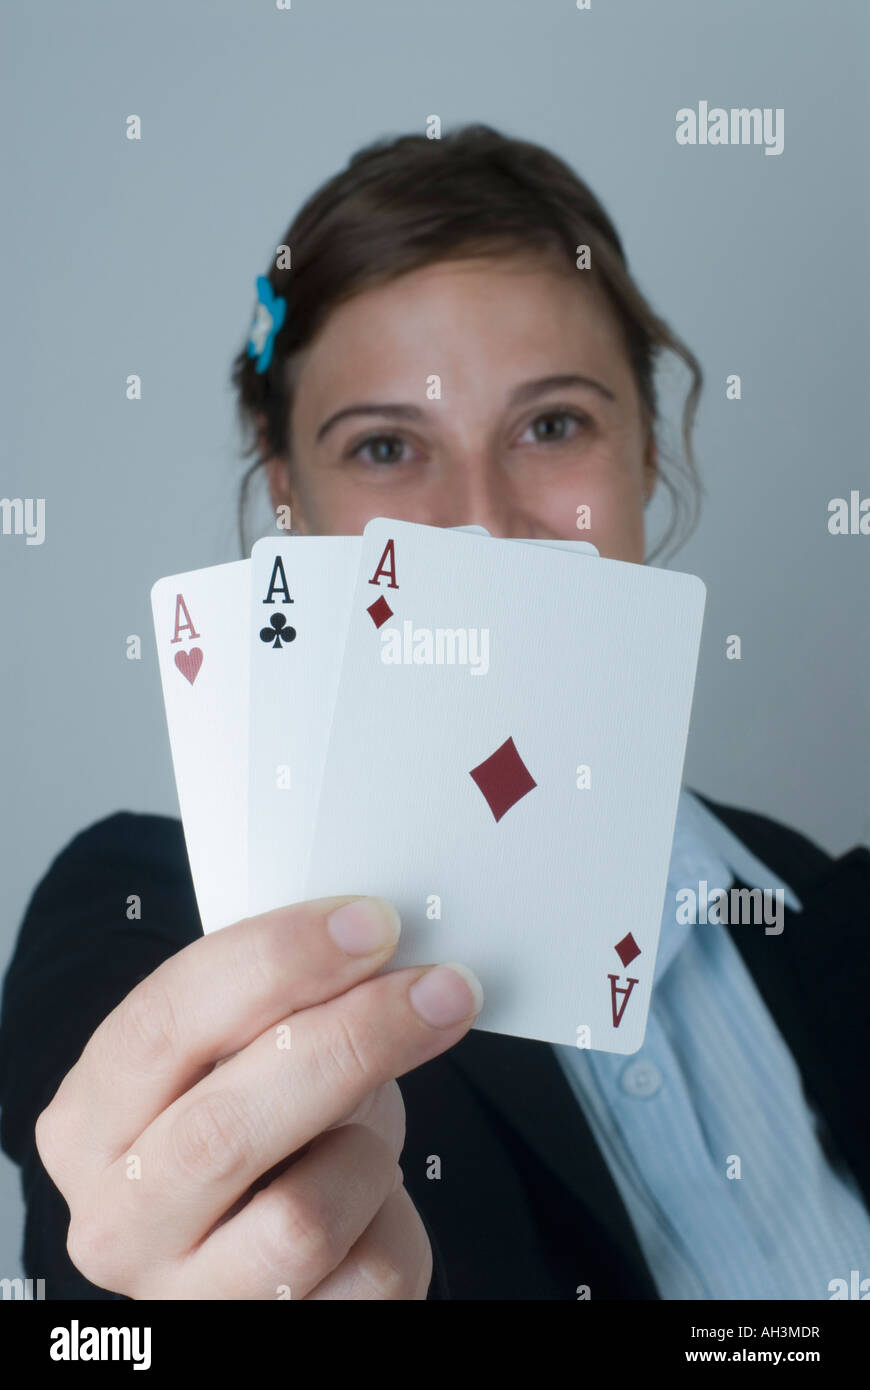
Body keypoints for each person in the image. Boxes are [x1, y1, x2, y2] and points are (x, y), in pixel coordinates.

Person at [1, 124, 868, 1301]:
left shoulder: (814, 894)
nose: (480, 526)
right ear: (287, 494)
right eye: (387, 444)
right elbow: (97, 1243)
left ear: (647, 456)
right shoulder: (146, 909)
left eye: (552, 424)